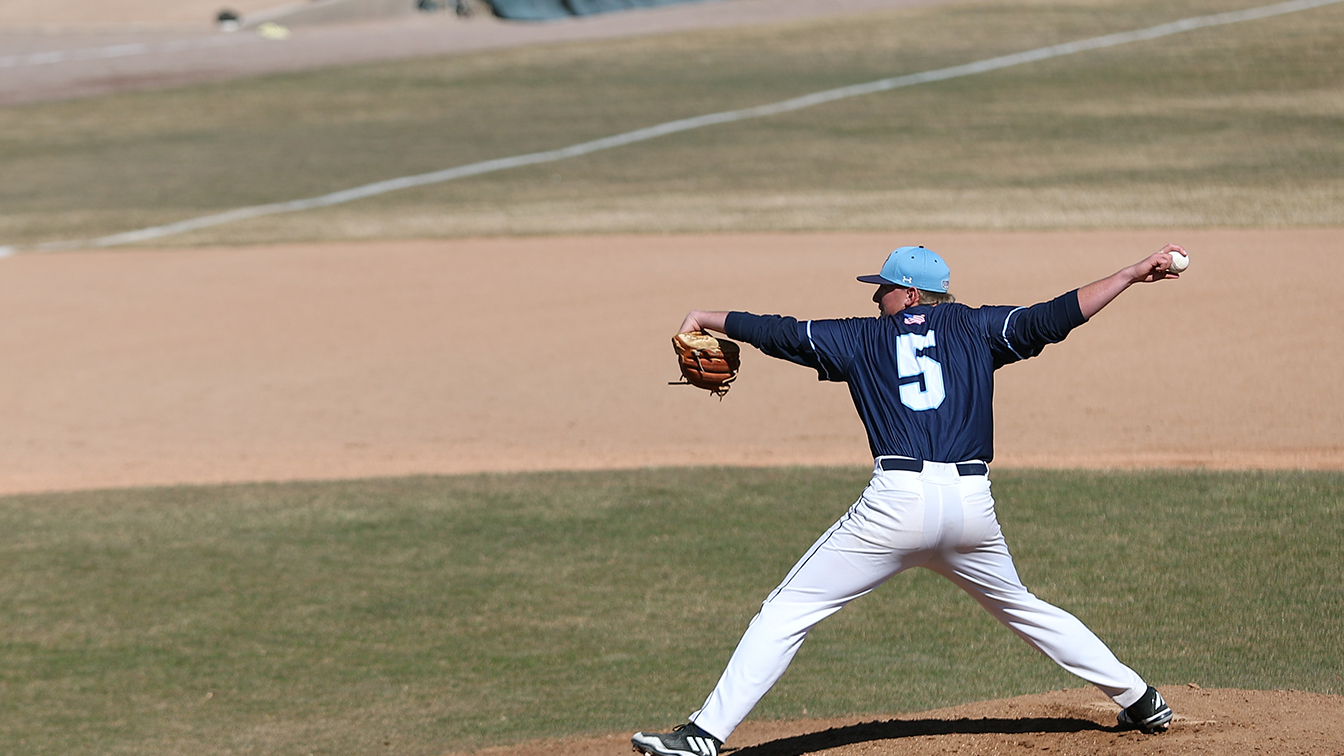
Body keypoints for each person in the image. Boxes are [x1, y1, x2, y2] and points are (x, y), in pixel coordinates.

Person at [631, 244, 1185, 756]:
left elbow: (780, 332)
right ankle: (1140, 699)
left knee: (787, 611)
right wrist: (1132, 274)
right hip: (971, 507)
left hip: (896, 507)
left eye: (885, 288)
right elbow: (1057, 314)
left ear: (912, 294)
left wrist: (706, 317)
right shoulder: (980, 325)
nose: (876, 297)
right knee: (1024, 608)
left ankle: (704, 734)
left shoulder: (862, 339)